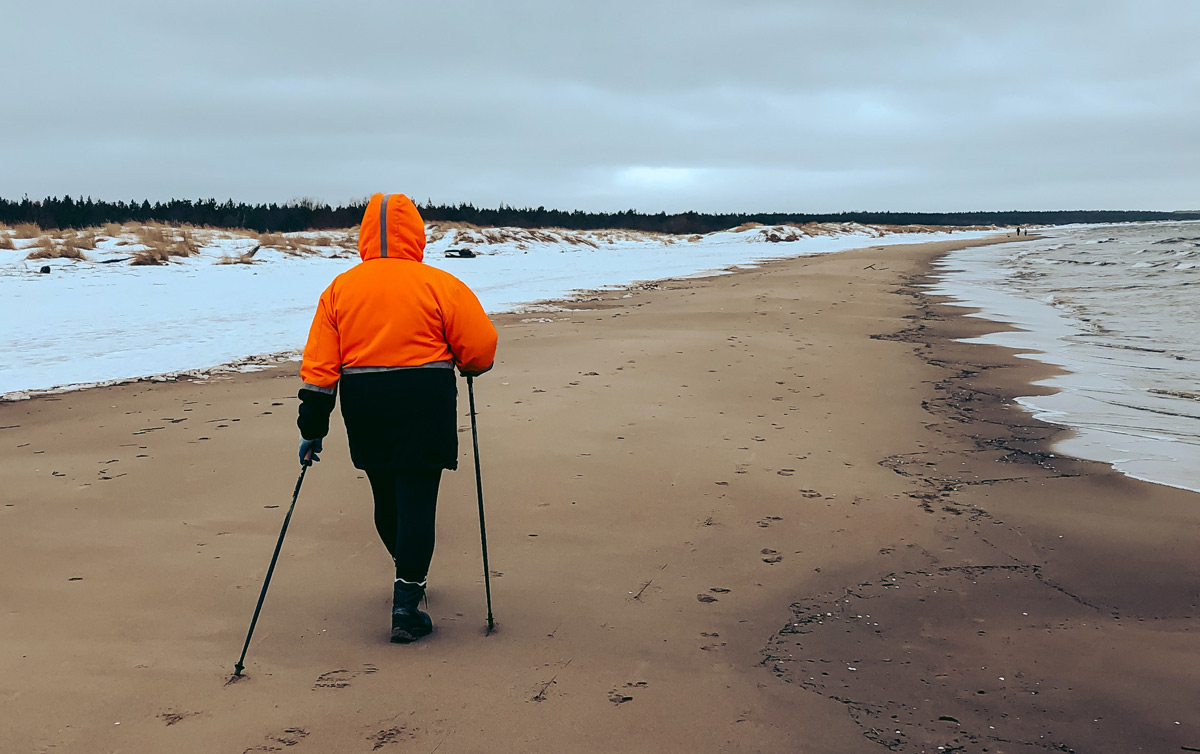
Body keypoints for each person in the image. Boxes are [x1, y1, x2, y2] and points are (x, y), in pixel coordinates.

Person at [295, 192, 497, 643]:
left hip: (367, 406)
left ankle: (407, 575)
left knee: (386, 495)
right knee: (419, 497)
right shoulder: (440, 284)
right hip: (425, 402)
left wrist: (313, 426)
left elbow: (320, 367)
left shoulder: (340, 289)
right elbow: (480, 350)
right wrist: (470, 365)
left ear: (365, 234)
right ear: (417, 233)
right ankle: (407, 599)